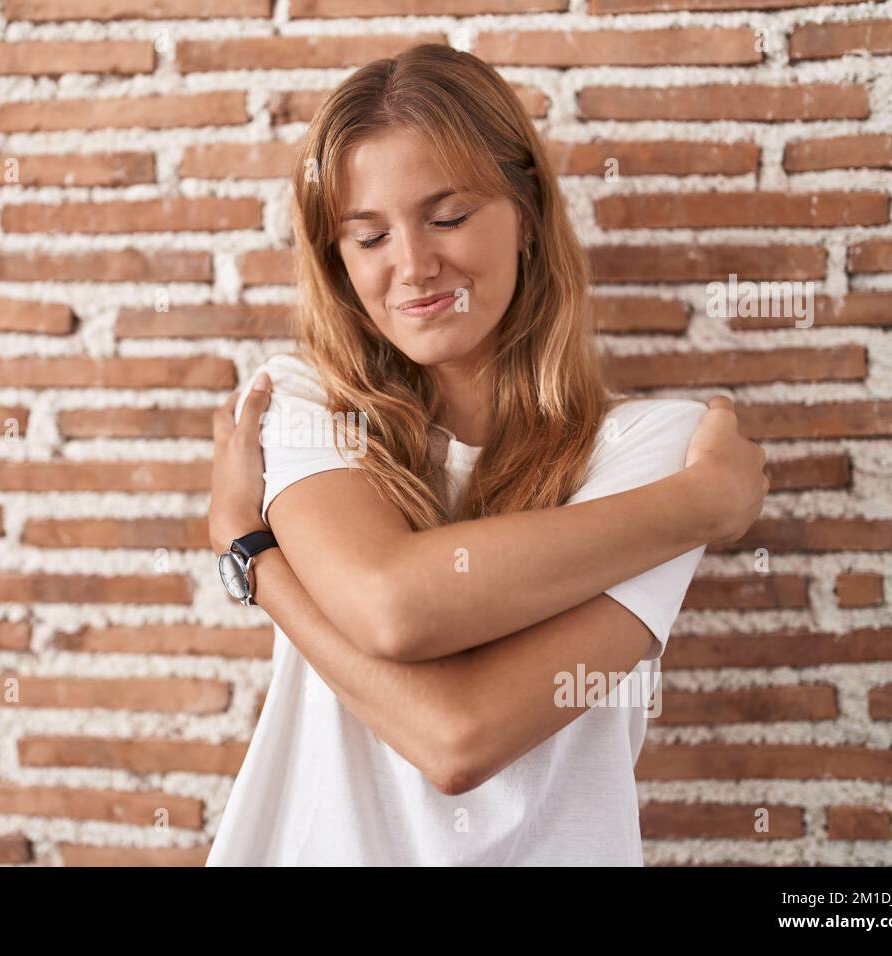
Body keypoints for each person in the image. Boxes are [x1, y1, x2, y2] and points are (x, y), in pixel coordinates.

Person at [204, 43, 768, 866]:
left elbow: (457, 741)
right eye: (368, 237)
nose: (414, 266)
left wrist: (251, 552)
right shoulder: (303, 401)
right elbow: (392, 605)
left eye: (449, 216)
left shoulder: (656, 447)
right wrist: (701, 509)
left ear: (529, 213)